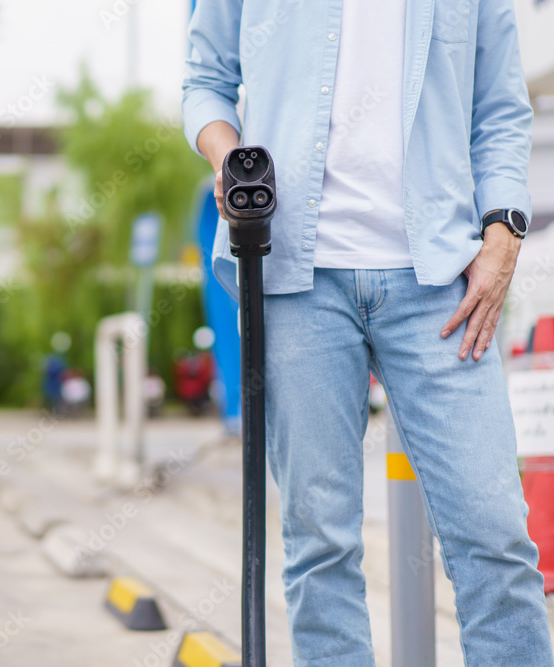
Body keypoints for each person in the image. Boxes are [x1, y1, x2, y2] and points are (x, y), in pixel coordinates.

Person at [182, 1, 553, 665]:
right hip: (295, 277)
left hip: (442, 280)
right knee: (319, 544)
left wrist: (503, 234)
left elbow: (501, 108)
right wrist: (226, 152)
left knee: (494, 536)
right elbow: (205, 80)